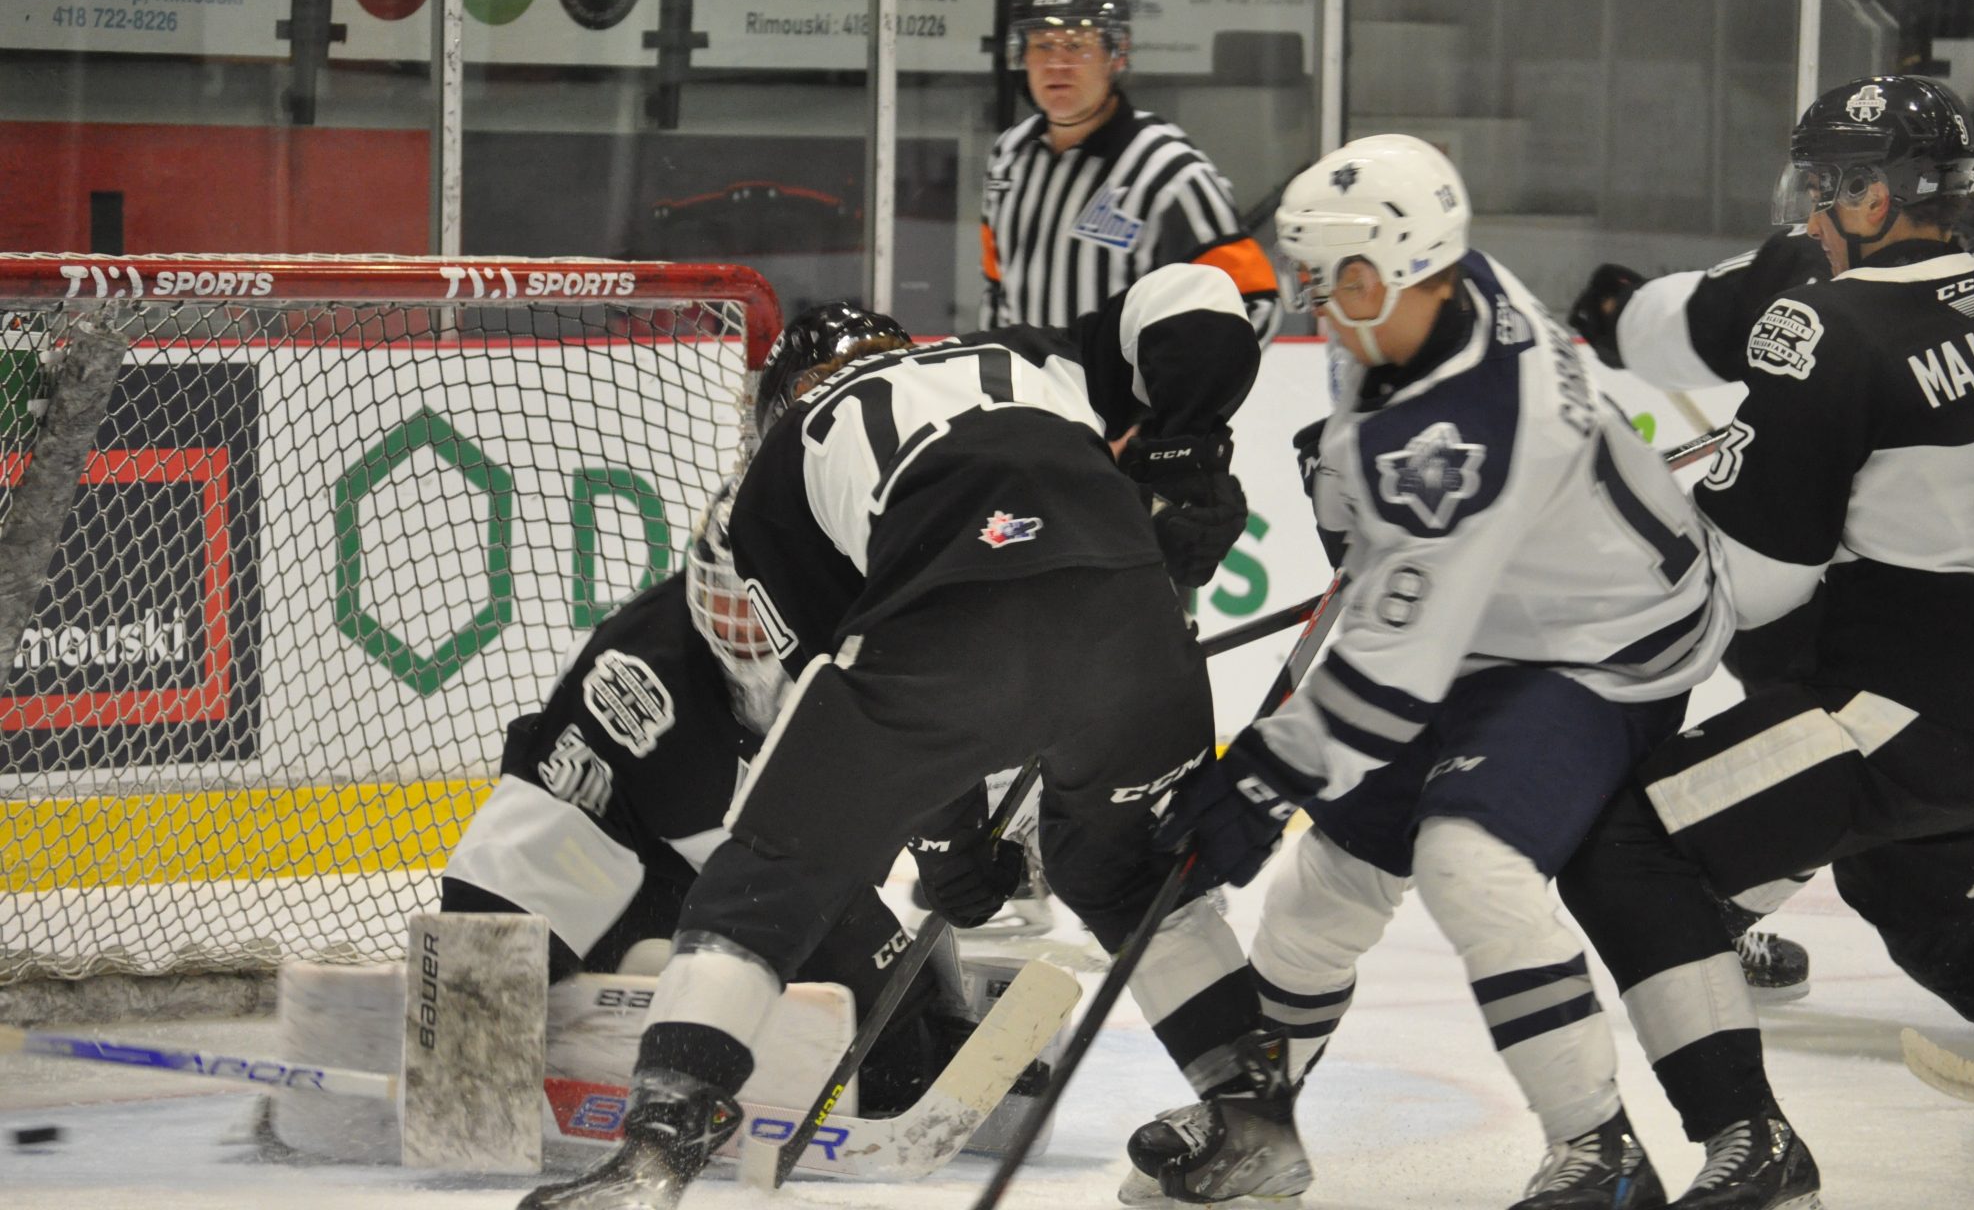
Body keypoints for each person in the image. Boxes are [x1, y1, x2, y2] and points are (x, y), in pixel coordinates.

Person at [519, 264, 1271, 1210]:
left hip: (953, 634)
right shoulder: (1018, 358)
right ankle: (1255, 1115)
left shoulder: (780, 466)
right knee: (1125, 873)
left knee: (767, 874)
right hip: (1137, 632)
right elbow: (1195, 294)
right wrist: (1188, 453)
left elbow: (866, 694)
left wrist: (948, 842)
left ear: (778, 401)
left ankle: (660, 1148)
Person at [1132, 135, 1734, 1209]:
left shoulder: (1465, 427)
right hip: (1499, 617)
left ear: (1397, 269)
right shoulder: (1444, 293)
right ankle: (1258, 1116)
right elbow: (1400, 570)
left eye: (1337, 281)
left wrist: (1262, 777)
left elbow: (1390, 673)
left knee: (1469, 861)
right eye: (1315, 277)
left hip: (1604, 644)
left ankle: (1602, 1153)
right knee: (1323, 891)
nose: (1320, 304)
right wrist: (1350, 491)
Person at [1556, 75, 1974, 1209]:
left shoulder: (1827, 325)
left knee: (1625, 846)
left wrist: (1606, 536)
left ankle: (1750, 1140)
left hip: (1899, 711)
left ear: (1881, 194)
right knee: (1917, 902)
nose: (1814, 208)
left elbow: (1759, 585)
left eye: (1830, 184)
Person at [438, 487, 961, 1116]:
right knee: (487, 966)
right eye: (720, 597)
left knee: (895, 1052)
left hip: (762, 860)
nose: (735, 628)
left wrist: (954, 844)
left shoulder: (872, 640)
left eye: (755, 607)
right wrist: (477, 981)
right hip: (653, 863)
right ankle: (635, 974)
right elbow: (540, 833)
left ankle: (907, 1028)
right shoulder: (639, 668)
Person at [979, 0, 1280, 339]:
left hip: (1118, 381)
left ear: (1117, 54)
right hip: (1021, 379)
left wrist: (1164, 374)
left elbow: (1254, 303)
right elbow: (997, 287)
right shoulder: (1009, 156)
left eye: (1076, 46)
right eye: (1043, 46)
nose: (1057, 64)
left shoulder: (1169, 171)